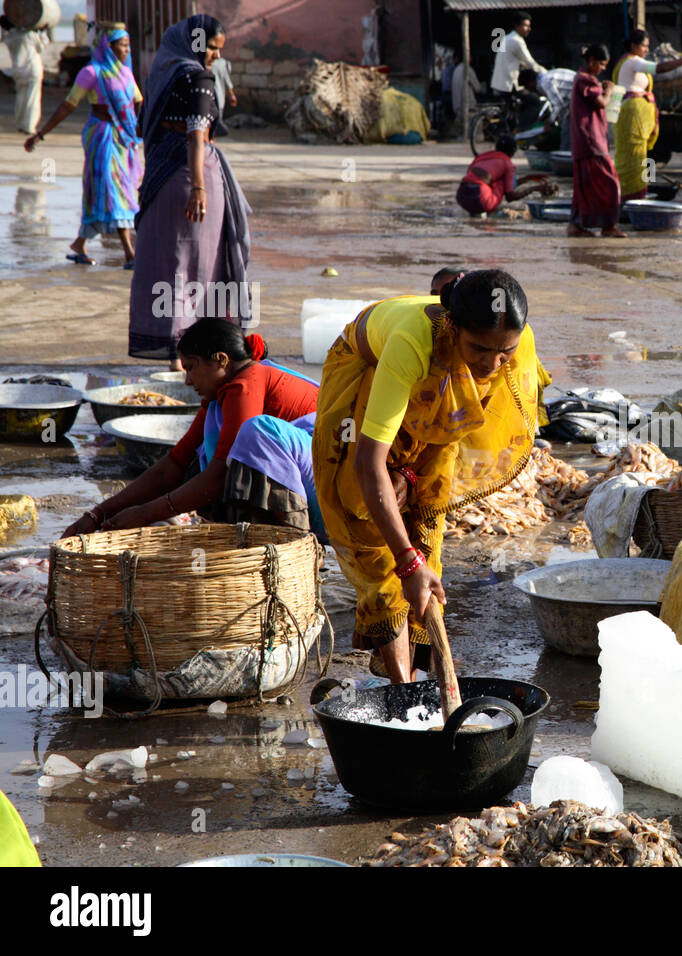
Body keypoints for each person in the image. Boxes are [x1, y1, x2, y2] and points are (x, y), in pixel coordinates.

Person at [311, 270, 550, 682]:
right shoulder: (412, 344)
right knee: (367, 523)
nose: (492, 364)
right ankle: (402, 687)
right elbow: (368, 463)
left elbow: (461, 419)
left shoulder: (513, 346)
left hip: (432, 397)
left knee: (425, 517)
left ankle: (430, 673)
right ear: (453, 327)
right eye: (479, 348)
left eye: (503, 352)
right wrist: (406, 563)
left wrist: (410, 470)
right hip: (365, 374)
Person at [63, 321, 320, 539]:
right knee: (198, 463)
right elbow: (172, 466)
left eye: (192, 367)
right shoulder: (219, 396)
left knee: (250, 439)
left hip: (330, 489)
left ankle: (293, 544)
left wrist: (144, 513)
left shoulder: (245, 384)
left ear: (221, 359)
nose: (187, 381)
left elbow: (219, 476)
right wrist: (98, 514)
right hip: (314, 478)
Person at [127, 15, 253, 372]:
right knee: (201, 265)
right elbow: (197, 133)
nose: (214, 55)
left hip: (161, 176)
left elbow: (145, 126)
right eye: (211, 47)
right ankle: (195, 350)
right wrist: (198, 185)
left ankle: (172, 350)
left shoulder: (162, 71)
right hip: (192, 177)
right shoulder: (198, 76)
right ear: (197, 44)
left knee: (168, 263)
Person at [23, 27, 143, 269]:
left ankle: (79, 244)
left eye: (129, 45)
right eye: (122, 44)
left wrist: (135, 130)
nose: (127, 49)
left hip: (123, 140)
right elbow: (68, 106)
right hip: (101, 137)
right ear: (107, 47)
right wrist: (41, 134)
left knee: (111, 191)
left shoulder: (126, 74)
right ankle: (130, 254)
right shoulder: (91, 73)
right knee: (112, 189)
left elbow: (138, 103)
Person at [612, 30, 682, 200]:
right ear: (633, 46)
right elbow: (659, 68)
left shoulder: (629, 63)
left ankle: (646, 188)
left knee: (645, 155)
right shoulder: (632, 62)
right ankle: (632, 196)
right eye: (644, 46)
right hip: (632, 116)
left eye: (648, 46)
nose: (647, 49)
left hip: (640, 117)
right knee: (633, 158)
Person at [568, 44, 624, 238]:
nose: (603, 68)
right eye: (601, 64)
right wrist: (608, 91)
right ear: (591, 61)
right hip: (591, 140)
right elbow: (601, 102)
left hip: (586, 139)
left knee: (584, 186)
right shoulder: (585, 79)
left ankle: (577, 225)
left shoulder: (585, 78)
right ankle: (608, 224)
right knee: (609, 181)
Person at [455, 134, 554, 216]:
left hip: (462, 196)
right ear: (513, 151)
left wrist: (527, 179)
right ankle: (492, 212)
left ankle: (477, 211)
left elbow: (473, 179)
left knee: (498, 180)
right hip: (481, 200)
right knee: (502, 180)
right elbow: (510, 196)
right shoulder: (507, 164)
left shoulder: (481, 157)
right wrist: (534, 189)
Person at [2, 18, 47, 134]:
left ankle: (20, 123)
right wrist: (42, 33)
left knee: (21, 98)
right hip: (32, 70)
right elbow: (41, 47)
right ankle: (30, 126)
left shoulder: (9, 37)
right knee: (32, 98)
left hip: (18, 71)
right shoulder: (29, 35)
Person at [491, 11, 545, 95]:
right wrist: (545, 73)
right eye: (526, 26)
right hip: (508, 85)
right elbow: (529, 62)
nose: (529, 29)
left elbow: (519, 62)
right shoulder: (516, 41)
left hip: (499, 84)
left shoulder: (506, 38)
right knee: (535, 101)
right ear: (517, 26)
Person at [451, 48, 482, 127]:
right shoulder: (467, 69)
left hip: (457, 108)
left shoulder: (456, 69)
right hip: (468, 107)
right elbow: (478, 88)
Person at [210, 55, 236, 136]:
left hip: (209, 97)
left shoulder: (206, 62)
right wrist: (232, 95)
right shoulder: (223, 63)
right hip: (219, 98)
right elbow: (227, 80)